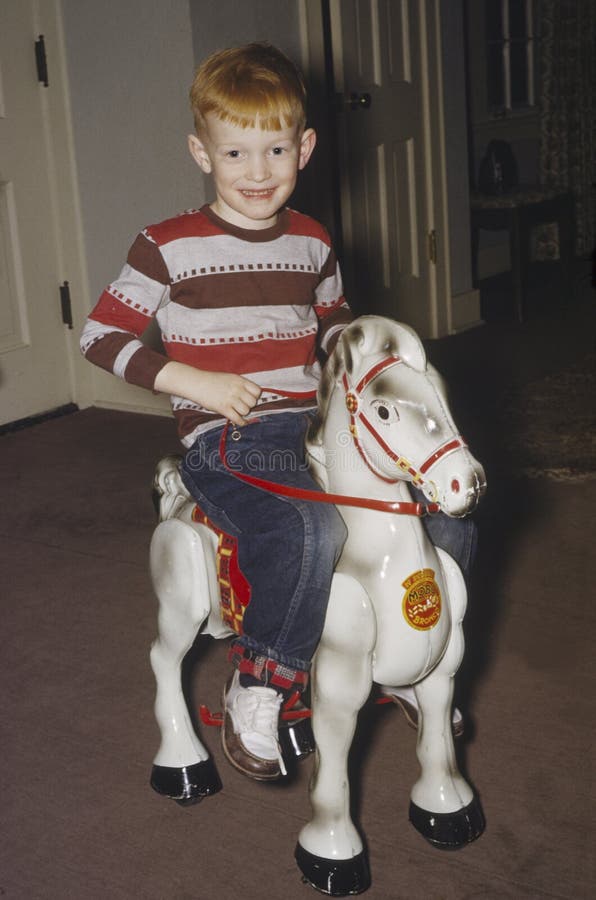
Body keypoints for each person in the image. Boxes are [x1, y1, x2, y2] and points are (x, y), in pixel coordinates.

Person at [80, 42, 475, 782]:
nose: (257, 171)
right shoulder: (166, 245)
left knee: (439, 511)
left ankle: (414, 652)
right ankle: (263, 677)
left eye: (276, 150)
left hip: (322, 427)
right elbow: (100, 336)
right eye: (235, 152)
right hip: (232, 435)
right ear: (202, 152)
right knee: (308, 527)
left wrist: (358, 351)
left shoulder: (312, 240)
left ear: (305, 147)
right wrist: (193, 382)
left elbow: (331, 321)